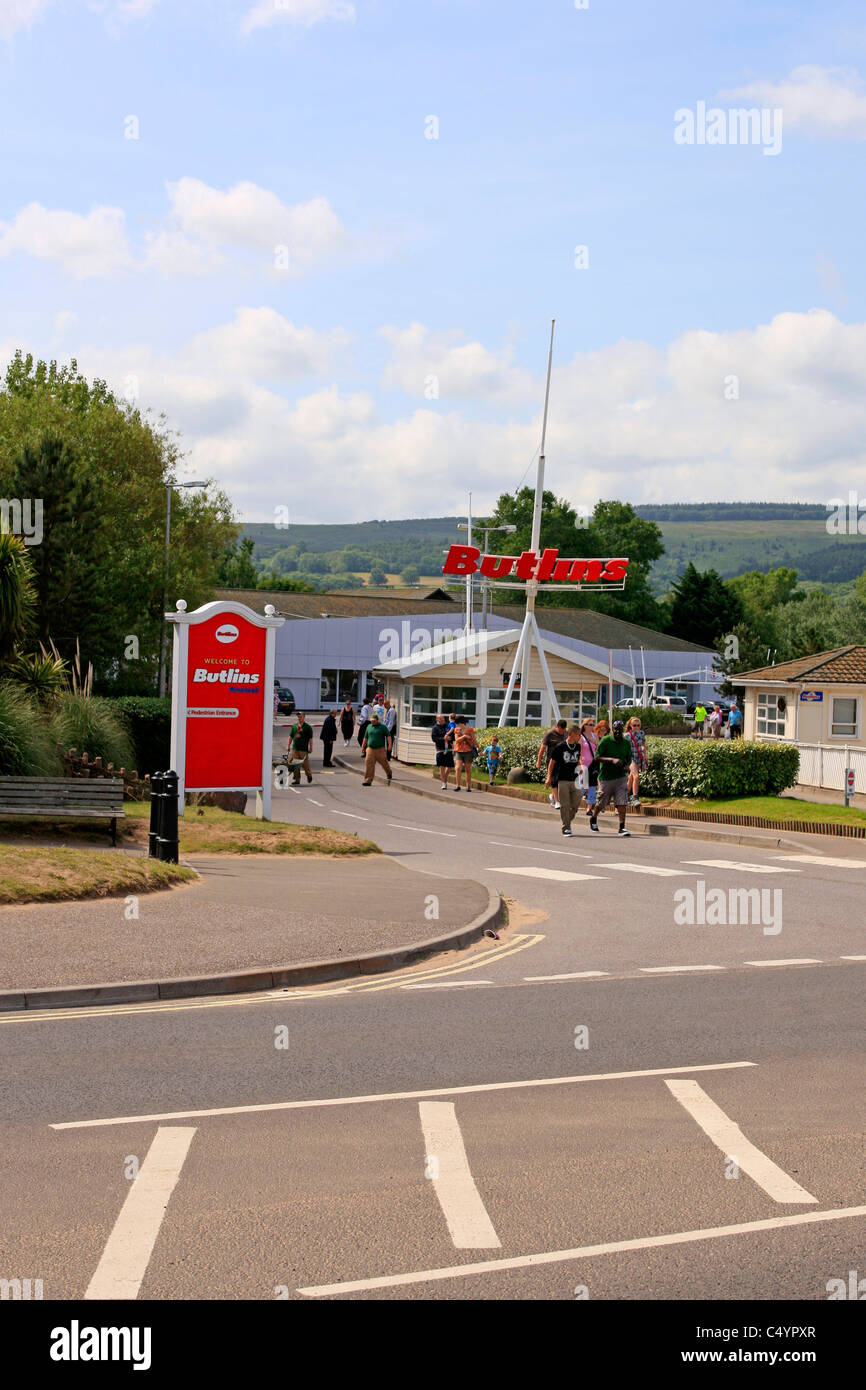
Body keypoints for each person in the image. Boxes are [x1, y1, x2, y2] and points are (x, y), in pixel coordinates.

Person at [589, 719, 633, 836]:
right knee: (602, 801)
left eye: (620, 730)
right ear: (612, 730)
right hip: (606, 777)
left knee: (622, 801)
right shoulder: (605, 740)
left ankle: (622, 827)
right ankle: (594, 817)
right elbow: (597, 758)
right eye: (615, 730)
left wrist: (627, 766)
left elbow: (629, 757)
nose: (617, 732)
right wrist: (611, 760)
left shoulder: (626, 742)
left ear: (623, 730)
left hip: (620, 777)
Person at [548, 724, 584, 836]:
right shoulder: (560, 746)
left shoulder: (578, 746)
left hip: (575, 779)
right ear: (571, 734)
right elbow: (552, 762)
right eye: (578, 734)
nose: (580, 737)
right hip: (562, 779)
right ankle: (566, 827)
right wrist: (549, 777)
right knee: (565, 804)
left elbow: (578, 759)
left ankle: (568, 819)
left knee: (577, 801)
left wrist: (580, 766)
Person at [538, 718, 568, 810]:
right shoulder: (550, 734)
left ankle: (552, 796)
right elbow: (542, 748)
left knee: (561, 781)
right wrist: (539, 761)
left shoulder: (566, 734)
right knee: (554, 780)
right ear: (557, 727)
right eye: (561, 730)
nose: (562, 732)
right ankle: (557, 802)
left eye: (564, 730)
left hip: (563, 761)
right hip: (551, 761)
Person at [361, 713, 392, 786]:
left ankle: (389, 772)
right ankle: (368, 780)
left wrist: (390, 745)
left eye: (374, 721)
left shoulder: (383, 727)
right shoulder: (369, 727)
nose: (372, 722)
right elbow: (365, 737)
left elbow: (388, 736)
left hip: (380, 749)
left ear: (377, 720)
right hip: (370, 749)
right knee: (369, 764)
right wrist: (363, 746)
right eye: (371, 721)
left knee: (384, 763)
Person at [287, 711, 314, 785]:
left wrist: (311, 747)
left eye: (300, 716)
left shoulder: (307, 727)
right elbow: (291, 736)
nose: (299, 718)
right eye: (298, 717)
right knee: (295, 765)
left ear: (304, 717)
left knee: (305, 765)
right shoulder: (294, 726)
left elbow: (310, 738)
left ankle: (309, 775)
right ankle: (297, 779)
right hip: (295, 749)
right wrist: (288, 745)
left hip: (303, 749)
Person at [625, 715, 647, 808]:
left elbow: (643, 745)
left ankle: (624, 796)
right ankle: (635, 798)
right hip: (631, 759)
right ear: (630, 725)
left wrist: (644, 752)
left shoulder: (641, 733)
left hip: (639, 757)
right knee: (636, 777)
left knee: (631, 778)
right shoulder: (626, 736)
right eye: (634, 725)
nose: (636, 727)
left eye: (638, 725)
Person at [578, 716, 598, 817]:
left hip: (593, 764)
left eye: (592, 724)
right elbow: (579, 751)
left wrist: (592, 740)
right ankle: (575, 802)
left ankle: (589, 808)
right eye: (589, 724)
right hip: (584, 764)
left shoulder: (595, 736)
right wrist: (580, 764)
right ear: (584, 725)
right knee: (582, 785)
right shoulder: (581, 737)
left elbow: (598, 748)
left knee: (592, 786)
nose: (591, 726)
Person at [452, 716, 478, 791]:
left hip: (468, 751)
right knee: (458, 768)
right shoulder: (456, 729)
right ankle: (458, 785)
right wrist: (464, 736)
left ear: (459, 722)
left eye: (457, 722)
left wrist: (478, 748)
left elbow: (473, 739)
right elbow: (457, 740)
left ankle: (468, 786)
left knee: (467, 769)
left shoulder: (470, 729)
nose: (456, 724)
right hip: (458, 750)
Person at [431, 713, 454, 788]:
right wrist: (443, 739)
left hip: (449, 749)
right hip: (440, 749)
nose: (442, 719)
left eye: (443, 718)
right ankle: (444, 783)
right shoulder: (435, 728)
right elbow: (434, 738)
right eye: (440, 718)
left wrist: (450, 738)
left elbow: (453, 735)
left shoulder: (448, 726)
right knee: (442, 766)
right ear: (437, 719)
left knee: (450, 767)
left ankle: (444, 777)